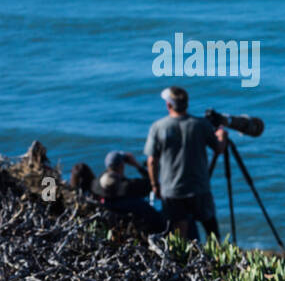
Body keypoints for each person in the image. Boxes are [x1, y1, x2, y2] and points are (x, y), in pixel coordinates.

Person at [144, 86, 227, 241]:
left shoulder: (158, 127)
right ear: (186, 104)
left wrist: (155, 185)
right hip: (199, 187)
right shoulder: (201, 125)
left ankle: (182, 263)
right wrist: (221, 136)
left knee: (179, 235)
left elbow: (152, 160)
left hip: (172, 190)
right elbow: (219, 149)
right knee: (211, 229)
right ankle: (217, 260)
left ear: (169, 105)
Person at [89, 150, 165, 234]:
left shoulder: (96, 185)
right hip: (137, 222)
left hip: (113, 220)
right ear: (121, 165)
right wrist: (137, 165)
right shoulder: (128, 187)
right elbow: (151, 182)